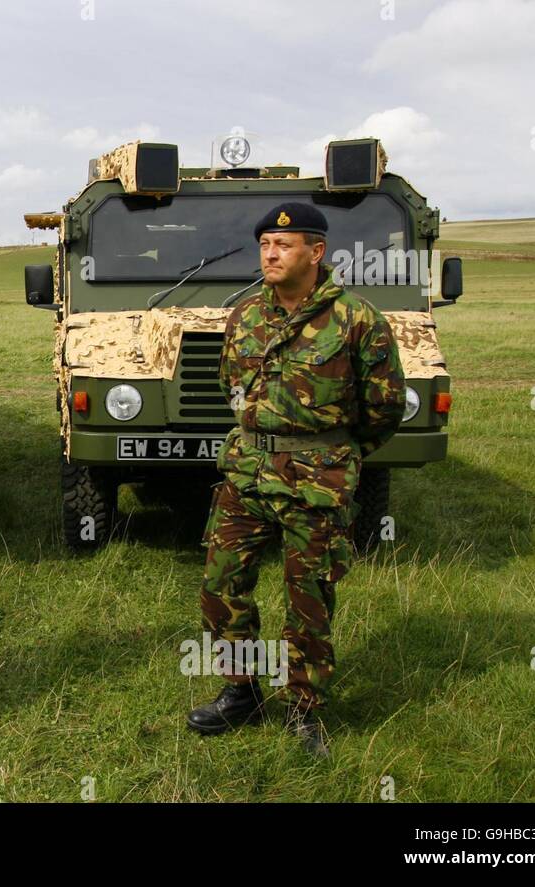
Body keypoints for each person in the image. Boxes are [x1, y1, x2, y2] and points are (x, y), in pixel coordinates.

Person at [188, 202, 406, 757]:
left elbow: (383, 410)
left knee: (308, 600)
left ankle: (304, 709)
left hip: (317, 481)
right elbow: (230, 387)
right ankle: (241, 692)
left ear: (316, 252)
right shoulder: (244, 317)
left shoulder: (357, 320)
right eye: (264, 243)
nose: (270, 252)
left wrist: (334, 456)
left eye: (283, 245)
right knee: (221, 587)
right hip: (247, 476)